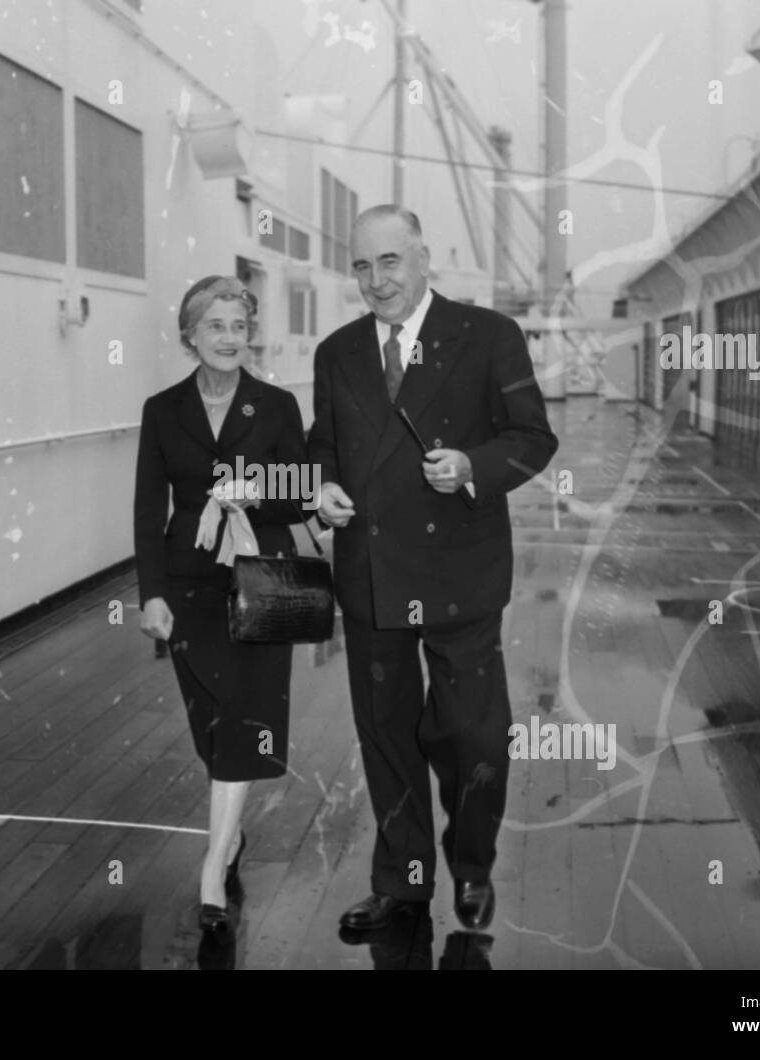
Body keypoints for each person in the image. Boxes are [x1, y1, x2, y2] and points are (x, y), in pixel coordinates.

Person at [307, 205, 559, 933]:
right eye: (361, 265)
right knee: (385, 736)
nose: (375, 279)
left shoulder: (488, 336)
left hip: (459, 573)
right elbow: (323, 441)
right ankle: (403, 880)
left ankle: (472, 868)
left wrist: (473, 466)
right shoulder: (338, 352)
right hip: (372, 575)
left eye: (389, 261)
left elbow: (533, 438)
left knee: (474, 736)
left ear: (423, 260)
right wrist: (321, 489)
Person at [133, 276, 310, 932]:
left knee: (242, 711)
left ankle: (214, 865)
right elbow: (150, 509)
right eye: (216, 326)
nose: (231, 338)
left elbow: (301, 494)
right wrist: (150, 592)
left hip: (260, 575)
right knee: (209, 717)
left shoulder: (277, 405)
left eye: (239, 325)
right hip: (188, 582)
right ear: (191, 336)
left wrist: (253, 488)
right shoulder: (162, 410)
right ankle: (229, 829)